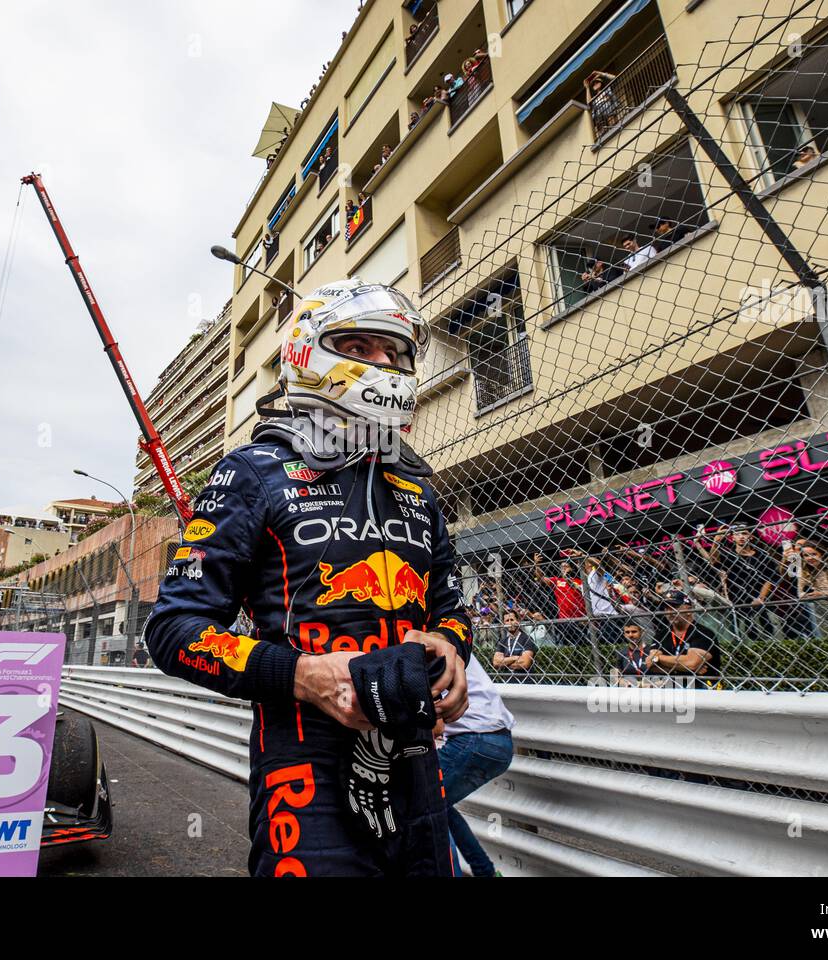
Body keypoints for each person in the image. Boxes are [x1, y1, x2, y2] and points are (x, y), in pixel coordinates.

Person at [145, 278, 472, 877]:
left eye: (396, 351)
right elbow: (173, 629)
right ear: (310, 354)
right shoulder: (253, 471)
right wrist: (302, 675)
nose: (385, 363)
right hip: (304, 758)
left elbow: (450, 605)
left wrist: (450, 644)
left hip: (415, 753)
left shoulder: (418, 486)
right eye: (361, 345)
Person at [437, 654, 515, 877]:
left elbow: (435, 728)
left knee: (427, 804)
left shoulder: (426, 640)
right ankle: (485, 871)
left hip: (473, 739)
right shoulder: (455, 636)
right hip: (500, 741)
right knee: (440, 805)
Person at [702, 526, 776, 642]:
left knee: (769, 637)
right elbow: (714, 561)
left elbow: (769, 579)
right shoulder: (729, 556)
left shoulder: (762, 556)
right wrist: (716, 542)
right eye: (737, 534)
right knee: (744, 640)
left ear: (751, 537)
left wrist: (761, 598)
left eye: (744, 533)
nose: (741, 536)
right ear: (732, 538)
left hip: (761, 604)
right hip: (738, 605)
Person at [648, 591, 724, 688]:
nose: (669, 612)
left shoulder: (703, 633)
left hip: (703, 686)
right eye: (666, 607)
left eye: (674, 607)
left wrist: (658, 659)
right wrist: (686, 667)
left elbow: (692, 663)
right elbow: (650, 664)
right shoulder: (661, 634)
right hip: (673, 686)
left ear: (688, 609)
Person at [492, 609, 536, 678]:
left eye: (512, 619)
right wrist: (515, 658)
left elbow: (525, 663)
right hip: (507, 682)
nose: (510, 623)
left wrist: (504, 663)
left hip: (525, 681)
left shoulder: (527, 639)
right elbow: (496, 663)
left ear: (517, 621)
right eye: (507, 620)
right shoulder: (503, 641)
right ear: (504, 624)